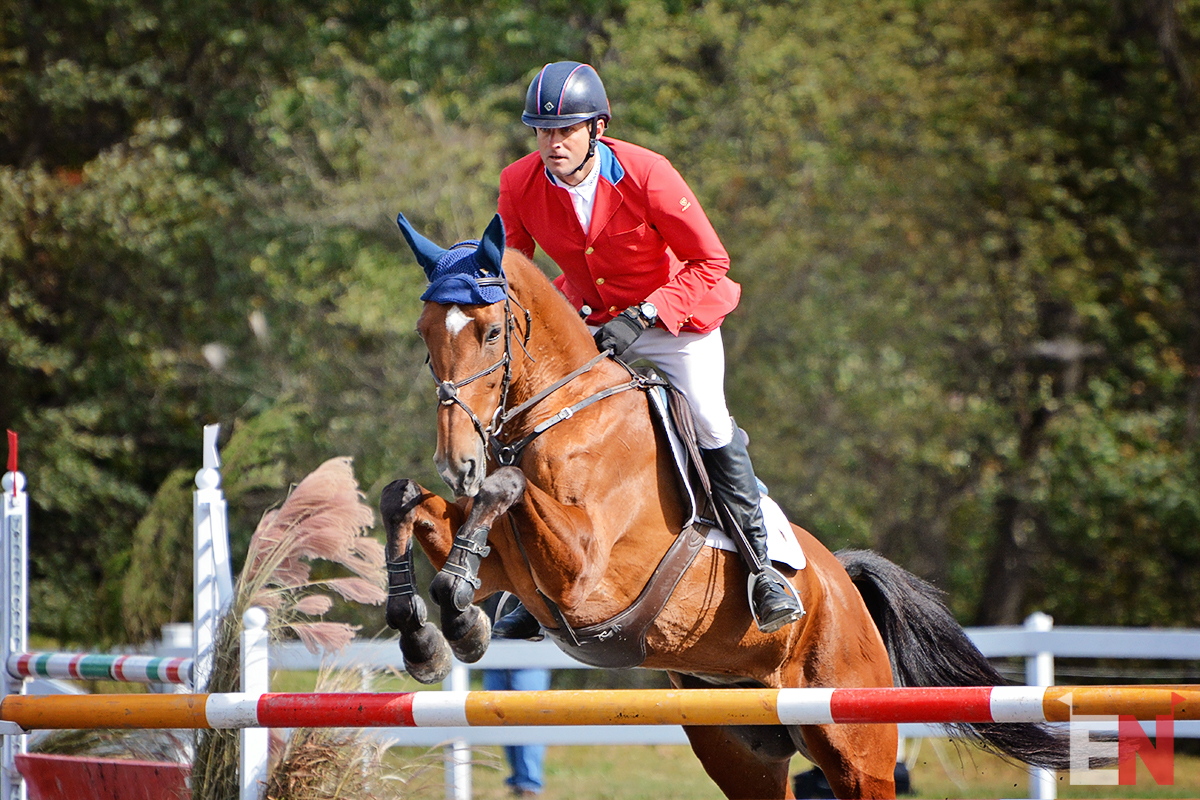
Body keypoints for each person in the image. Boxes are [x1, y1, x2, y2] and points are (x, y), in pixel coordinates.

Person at [493, 60, 804, 638]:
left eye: (565, 131)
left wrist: (648, 314)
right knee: (530, 416)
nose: (552, 143)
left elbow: (712, 263)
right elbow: (517, 273)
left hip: (676, 320)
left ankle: (763, 568)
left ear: (597, 129)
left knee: (710, 421)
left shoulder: (647, 174)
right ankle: (529, 579)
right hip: (591, 320)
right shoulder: (518, 182)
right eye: (542, 131)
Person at [481, 594, 551, 797]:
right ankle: (518, 779)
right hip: (495, 648)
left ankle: (529, 783)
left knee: (530, 718)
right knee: (500, 716)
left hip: (532, 650)